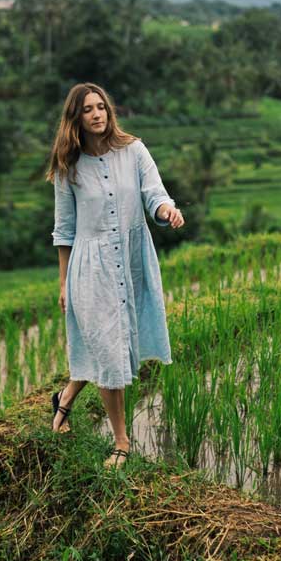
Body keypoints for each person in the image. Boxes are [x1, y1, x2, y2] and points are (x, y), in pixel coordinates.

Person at [45, 81, 184, 467]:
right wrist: (63, 284)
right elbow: (64, 231)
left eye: (101, 106)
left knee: (115, 344)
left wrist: (166, 211)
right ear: (76, 118)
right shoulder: (67, 168)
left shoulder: (134, 151)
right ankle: (122, 442)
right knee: (107, 348)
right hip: (90, 268)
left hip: (132, 260)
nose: (97, 114)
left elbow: (155, 194)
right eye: (88, 109)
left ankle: (65, 399)